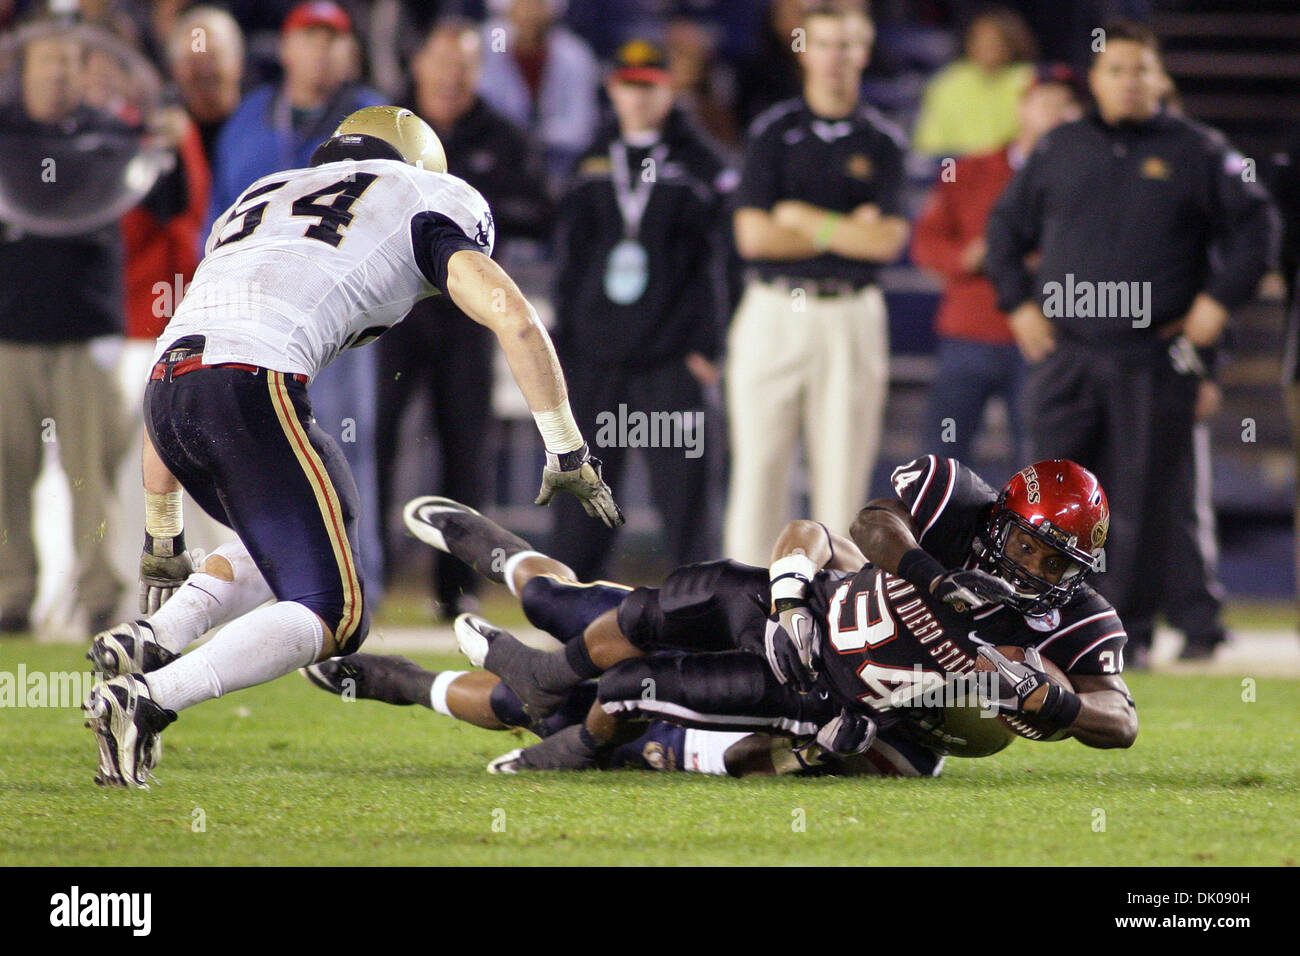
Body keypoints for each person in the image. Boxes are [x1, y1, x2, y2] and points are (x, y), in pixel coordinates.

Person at [82, 106, 623, 788]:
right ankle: (149, 700)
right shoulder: (427, 197)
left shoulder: (258, 198)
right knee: (336, 612)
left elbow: (183, 349)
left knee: (319, 515)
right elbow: (511, 314)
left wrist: (163, 540)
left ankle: (155, 638)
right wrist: (567, 449)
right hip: (254, 384)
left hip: (169, 392)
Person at [401, 453, 1137, 774]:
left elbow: (1121, 719)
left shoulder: (1065, 626)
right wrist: (929, 579)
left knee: (584, 700)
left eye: (1062, 565)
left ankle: (412, 686)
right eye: (1034, 551)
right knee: (562, 605)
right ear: (1003, 522)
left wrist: (1059, 703)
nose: (1042, 574)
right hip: (786, 622)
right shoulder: (958, 509)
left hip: (808, 702)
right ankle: (502, 559)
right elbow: (868, 527)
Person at [984, 20, 1279, 665]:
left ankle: (1127, 637)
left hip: (1152, 354)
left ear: (1161, 78)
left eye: (1140, 69)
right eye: (1115, 69)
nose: (1128, 81)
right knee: (1044, 500)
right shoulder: (1058, 147)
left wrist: (1215, 304)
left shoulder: (1198, 151)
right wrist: (1016, 306)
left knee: (1142, 500)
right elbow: (1004, 229)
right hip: (1068, 353)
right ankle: (1034, 627)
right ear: (1095, 80)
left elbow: (1258, 229)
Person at [205, 1, 388, 597]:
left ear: (350, 51)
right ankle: (280, 580)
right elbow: (221, 213)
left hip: (338, 309)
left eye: (332, 39)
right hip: (257, 309)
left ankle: (359, 580)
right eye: (309, 38)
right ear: (285, 49)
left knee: (343, 443)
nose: (321, 50)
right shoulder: (252, 117)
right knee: (262, 446)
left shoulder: (374, 117)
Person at [376, 17, 553, 620]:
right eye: (442, 62)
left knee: (464, 448)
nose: (452, 75)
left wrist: (470, 212)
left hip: (464, 312)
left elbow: (537, 210)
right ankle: (366, 575)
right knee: (374, 441)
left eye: (465, 64)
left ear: (480, 70)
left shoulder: (501, 135)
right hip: (390, 310)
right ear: (418, 63)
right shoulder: (388, 130)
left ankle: (454, 589)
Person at [726, 2, 909, 566]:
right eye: (824, 44)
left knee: (843, 474)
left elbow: (885, 243)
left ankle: (837, 615)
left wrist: (804, 219)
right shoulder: (773, 131)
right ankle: (746, 604)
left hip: (850, 312)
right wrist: (848, 229)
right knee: (759, 467)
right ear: (803, 49)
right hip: (774, 309)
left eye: (847, 45)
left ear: (865, 50)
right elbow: (753, 237)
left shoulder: (882, 140)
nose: (835, 58)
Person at [549, 39, 732, 581]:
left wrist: (709, 346)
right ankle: (568, 613)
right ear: (613, 88)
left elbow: (722, 262)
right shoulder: (589, 161)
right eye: (628, 85)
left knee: (686, 500)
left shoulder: (703, 164)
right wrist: (564, 346)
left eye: (649, 86)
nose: (638, 97)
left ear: (669, 89)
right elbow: (570, 260)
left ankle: (702, 611)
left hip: (670, 362)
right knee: (582, 498)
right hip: (594, 360)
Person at [0, 27, 131, 635]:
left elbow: (165, 196)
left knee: (90, 468)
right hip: (10, 327)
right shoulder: (4, 131)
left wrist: (176, 145)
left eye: (68, 63)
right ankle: (11, 592)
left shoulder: (111, 135)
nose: (56, 74)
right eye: (47, 61)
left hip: (84, 325)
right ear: (24, 69)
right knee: (6, 469)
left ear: (84, 73)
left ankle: (99, 591)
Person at [910, 66, 1082, 467]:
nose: (1056, 113)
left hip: (1047, 335)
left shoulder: (1089, 175)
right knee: (942, 460)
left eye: (1067, 104)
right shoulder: (970, 170)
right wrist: (965, 257)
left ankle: (1032, 533)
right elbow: (926, 242)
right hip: (970, 330)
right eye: (1046, 102)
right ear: (1022, 107)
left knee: (1040, 463)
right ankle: (936, 531)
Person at [477, 0, 600, 188]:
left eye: (537, 5)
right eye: (522, 4)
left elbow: (580, 129)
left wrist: (535, 139)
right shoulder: (482, 45)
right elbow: (480, 111)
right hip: (494, 159)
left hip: (557, 166)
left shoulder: (575, 54)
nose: (530, 14)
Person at [911, 6, 1037, 159]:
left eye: (994, 41)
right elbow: (931, 147)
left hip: (1010, 168)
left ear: (1010, 43)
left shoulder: (1029, 79)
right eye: (980, 40)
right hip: (958, 167)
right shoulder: (948, 82)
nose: (987, 47)